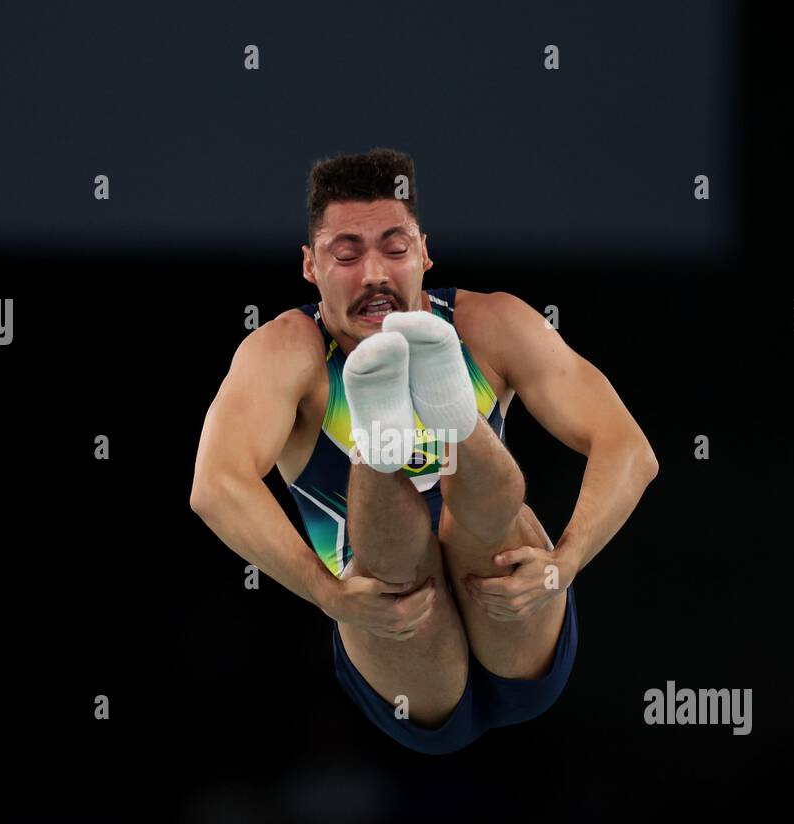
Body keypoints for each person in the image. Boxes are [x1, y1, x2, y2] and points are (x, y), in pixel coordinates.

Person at [191, 148, 658, 754]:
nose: (374, 274)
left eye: (394, 247)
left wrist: (562, 565)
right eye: (346, 253)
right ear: (310, 265)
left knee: (487, 521)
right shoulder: (283, 352)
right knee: (391, 567)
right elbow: (215, 485)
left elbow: (629, 448)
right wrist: (329, 595)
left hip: (515, 609)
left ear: (425, 252)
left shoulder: (494, 322)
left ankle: (445, 419)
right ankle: (396, 435)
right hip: (400, 643)